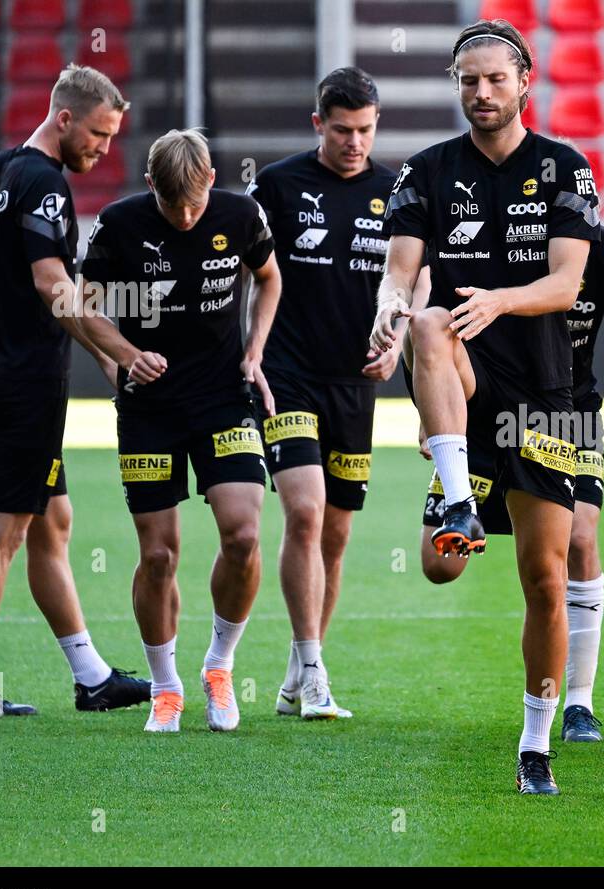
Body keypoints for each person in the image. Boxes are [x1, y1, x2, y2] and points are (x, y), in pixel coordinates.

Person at [372, 18, 599, 795]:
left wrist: (500, 300)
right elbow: (401, 275)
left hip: (545, 396)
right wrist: (389, 309)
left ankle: (536, 742)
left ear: (525, 81)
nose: (481, 92)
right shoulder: (425, 173)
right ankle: (460, 498)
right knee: (441, 570)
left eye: (495, 79)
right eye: (468, 80)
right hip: (462, 383)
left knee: (544, 577)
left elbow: (569, 285)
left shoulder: (565, 168)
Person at [0, 65, 150, 717]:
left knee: (53, 522)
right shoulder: (44, 184)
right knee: (2, 534)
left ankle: (92, 677)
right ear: (65, 119)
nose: (103, 150)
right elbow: (52, 284)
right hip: (24, 383)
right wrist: (119, 349)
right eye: (98, 134)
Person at [76, 129, 280, 733]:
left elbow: (269, 278)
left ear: (212, 179)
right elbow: (80, 303)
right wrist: (123, 353)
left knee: (243, 535)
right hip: (149, 408)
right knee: (159, 553)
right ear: (150, 188)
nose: (187, 217)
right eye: (173, 207)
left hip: (223, 398)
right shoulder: (117, 224)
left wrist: (255, 351)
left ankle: (219, 666)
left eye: (196, 204)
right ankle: (165, 686)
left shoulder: (242, 214)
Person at [414, 221, 604, 744]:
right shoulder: (493, 238)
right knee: (440, 565)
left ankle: (577, 703)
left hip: (566, 413)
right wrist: (431, 410)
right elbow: (435, 328)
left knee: (578, 539)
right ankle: (467, 500)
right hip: (483, 411)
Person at [245, 67, 397, 721]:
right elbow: (244, 276)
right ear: (318, 125)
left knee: (334, 535)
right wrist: (245, 356)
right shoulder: (276, 187)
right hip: (289, 376)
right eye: (342, 130)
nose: (355, 142)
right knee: (304, 514)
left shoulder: (396, 191)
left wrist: (397, 344)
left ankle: (296, 670)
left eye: (365, 130)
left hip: (355, 384)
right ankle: (316, 676)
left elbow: (412, 287)